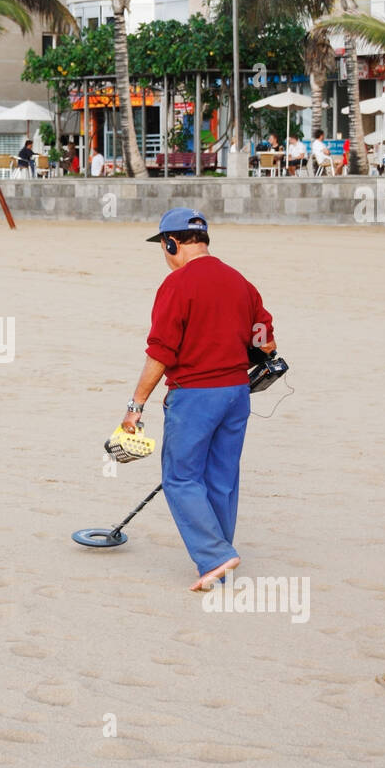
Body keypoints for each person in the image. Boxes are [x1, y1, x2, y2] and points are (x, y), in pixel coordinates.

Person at [120, 208, 276, 591]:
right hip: (237, 394)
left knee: (180, 478)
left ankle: (214, 555)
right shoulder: (241, 282)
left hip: (194, 395)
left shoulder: (177, 285)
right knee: (221, 478)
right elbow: (266, 343)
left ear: (172, 243)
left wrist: (135, 406)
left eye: (163, 246)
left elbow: (161, 351)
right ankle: (218, 560)